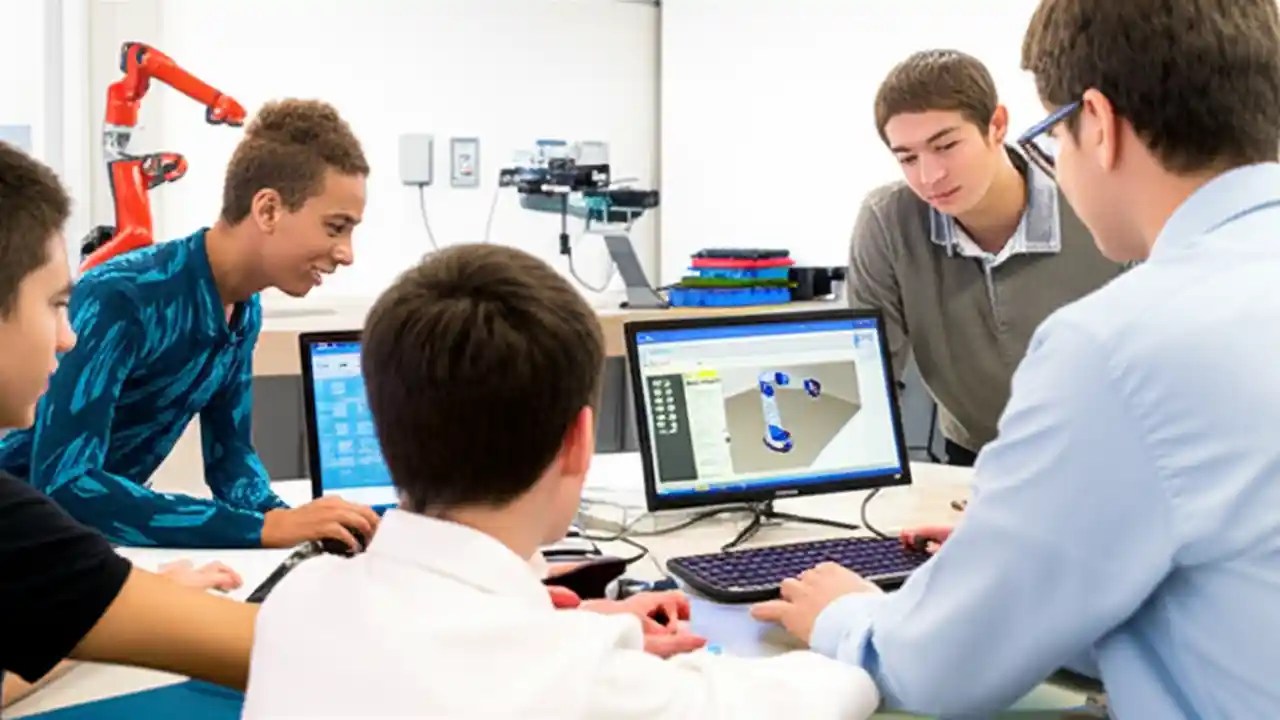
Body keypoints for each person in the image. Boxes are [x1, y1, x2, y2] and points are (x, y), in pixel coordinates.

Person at [752, 0, 1280, 717]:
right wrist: (1026, 549)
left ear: (1096, 123)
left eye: (1052, 133)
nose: (929, 174)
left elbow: (943, 669)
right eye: (907, 157)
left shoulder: (1115, 345)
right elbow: (1218, 582)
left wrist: (847, 615)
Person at [242, 244, 880, 719]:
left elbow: (448, 636)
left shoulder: (298, 603)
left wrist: (580, 622)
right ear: (580, 439)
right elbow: (838, 691)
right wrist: (859, 616)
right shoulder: (585, 683)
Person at [0, 98, 380, 550]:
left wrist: (296, 523)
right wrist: (262, 529)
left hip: (85, 543)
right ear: (268, 210)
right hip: (21, 541)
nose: (346, 253)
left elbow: (231, 463)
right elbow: (67, 482)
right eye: (335, 227)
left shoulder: (244, 310)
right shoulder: (122, 296)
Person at [0, 140, 260, 706]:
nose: (69, 338)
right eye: (56, 304)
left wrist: (95, 611)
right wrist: (93, 617)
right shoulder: (11, 518)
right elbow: (270, 650)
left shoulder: (244, 314)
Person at [849, 49, 1123, 466]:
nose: (930, 176)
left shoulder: (1094, 200)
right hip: (975, 456)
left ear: (997, 125)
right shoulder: (887, 222)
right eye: (908, 158)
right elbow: (871, 379)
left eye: (946, 146)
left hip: (1106, 453)